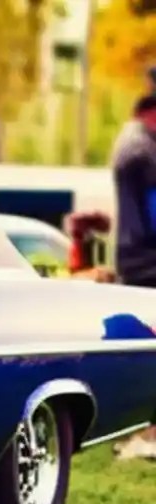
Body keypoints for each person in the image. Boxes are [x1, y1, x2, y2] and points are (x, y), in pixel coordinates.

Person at [112, 93, 156, 458]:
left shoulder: (130, 145)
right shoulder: (143, 151)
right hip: (147, 261)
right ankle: (145, 432)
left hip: (136, 260)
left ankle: (137, 429)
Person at [111, 66, 156, 166]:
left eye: (148, 80)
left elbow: (135, 124)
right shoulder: (144, 101)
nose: (145, 83)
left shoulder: (145, 102)